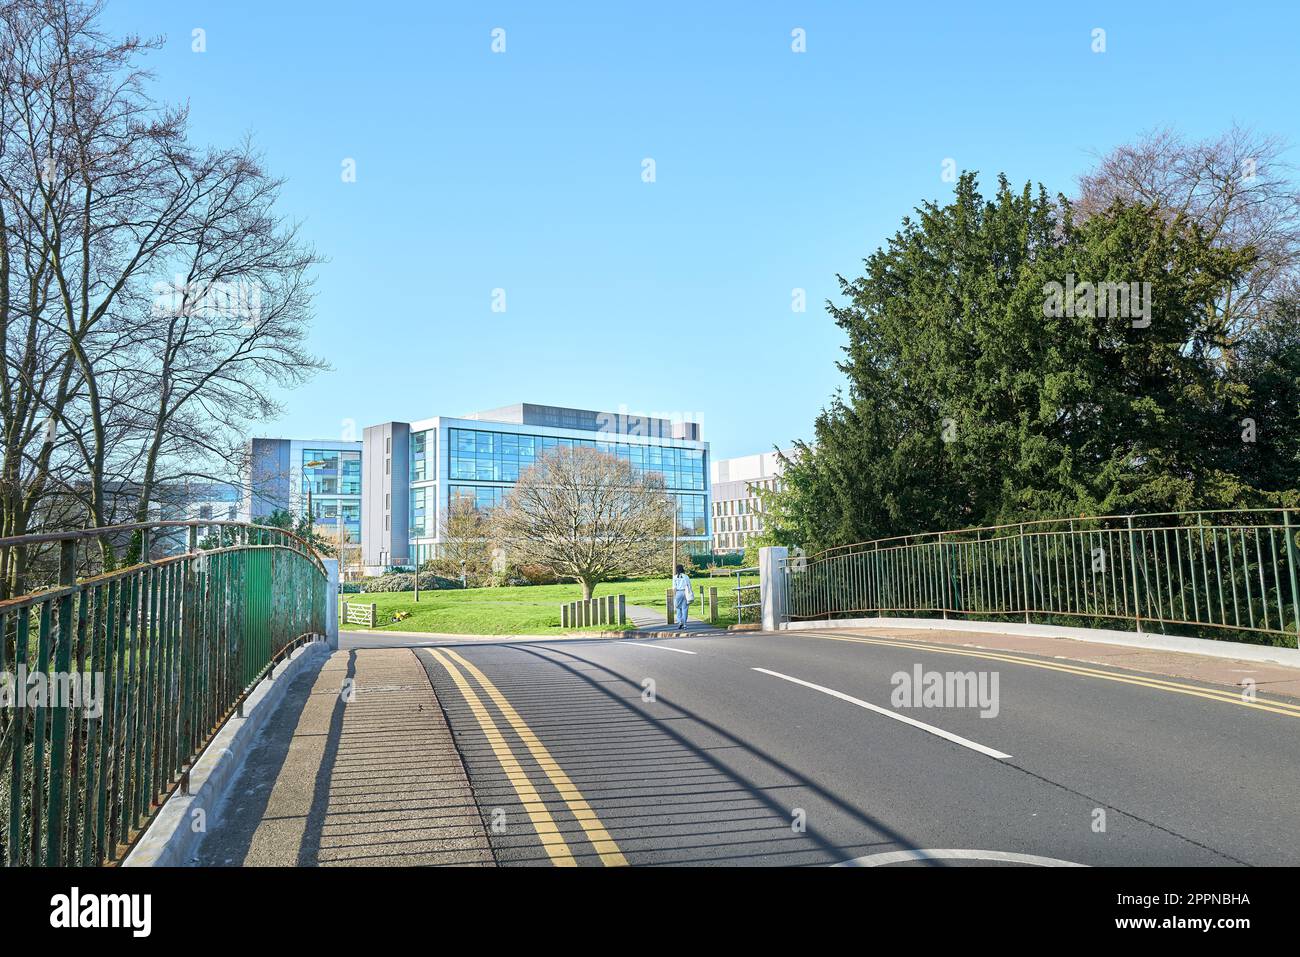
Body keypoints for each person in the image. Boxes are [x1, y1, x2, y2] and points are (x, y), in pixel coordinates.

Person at [672, 563, 694, 630]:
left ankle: (679, 622)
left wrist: (674, 596)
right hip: (685, 593)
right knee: (685, 609)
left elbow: (674, 588)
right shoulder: (686, 577)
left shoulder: (675, 577)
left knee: (678, 608)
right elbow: (689, 586)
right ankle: (684, 624)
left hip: (678, 592)